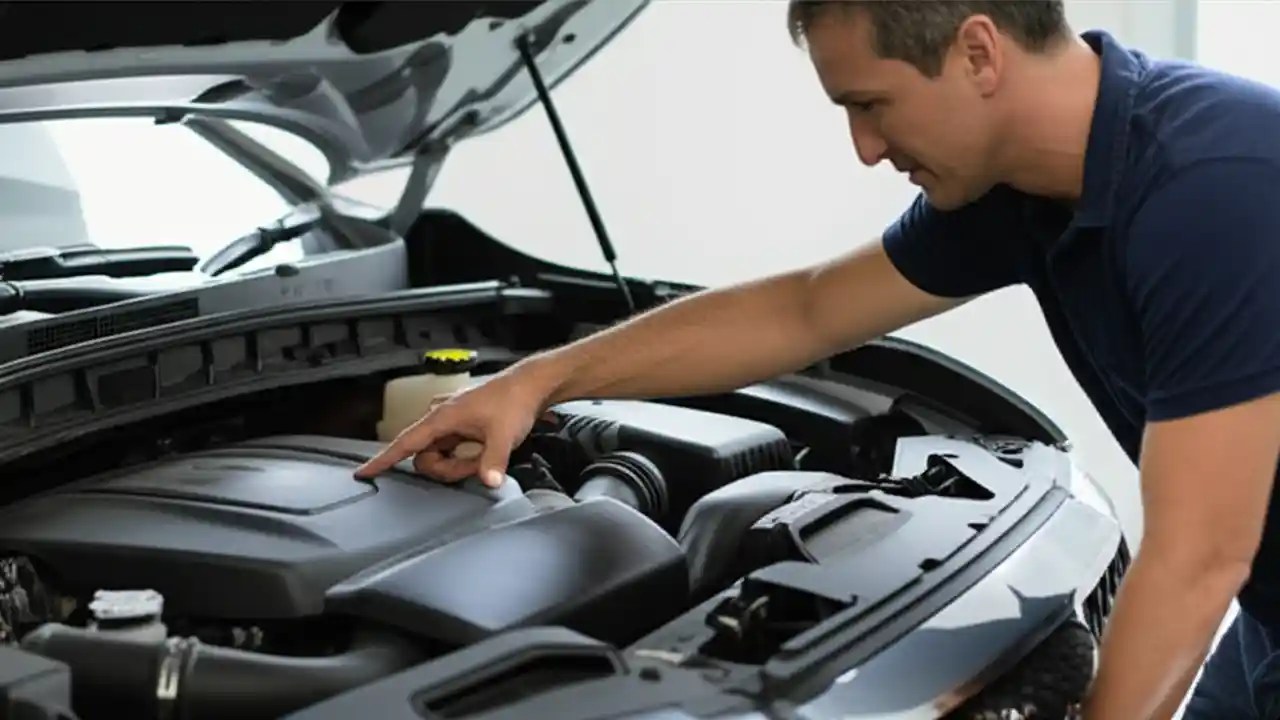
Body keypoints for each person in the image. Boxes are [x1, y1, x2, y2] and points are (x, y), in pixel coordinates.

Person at [355, 1, 1280, 717]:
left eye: (872, 105)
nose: (867, 148)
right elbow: (805, 310)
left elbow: (1199, 554)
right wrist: (534, 382)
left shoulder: (1213, 190)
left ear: (979, 53)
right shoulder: (1027, 188)